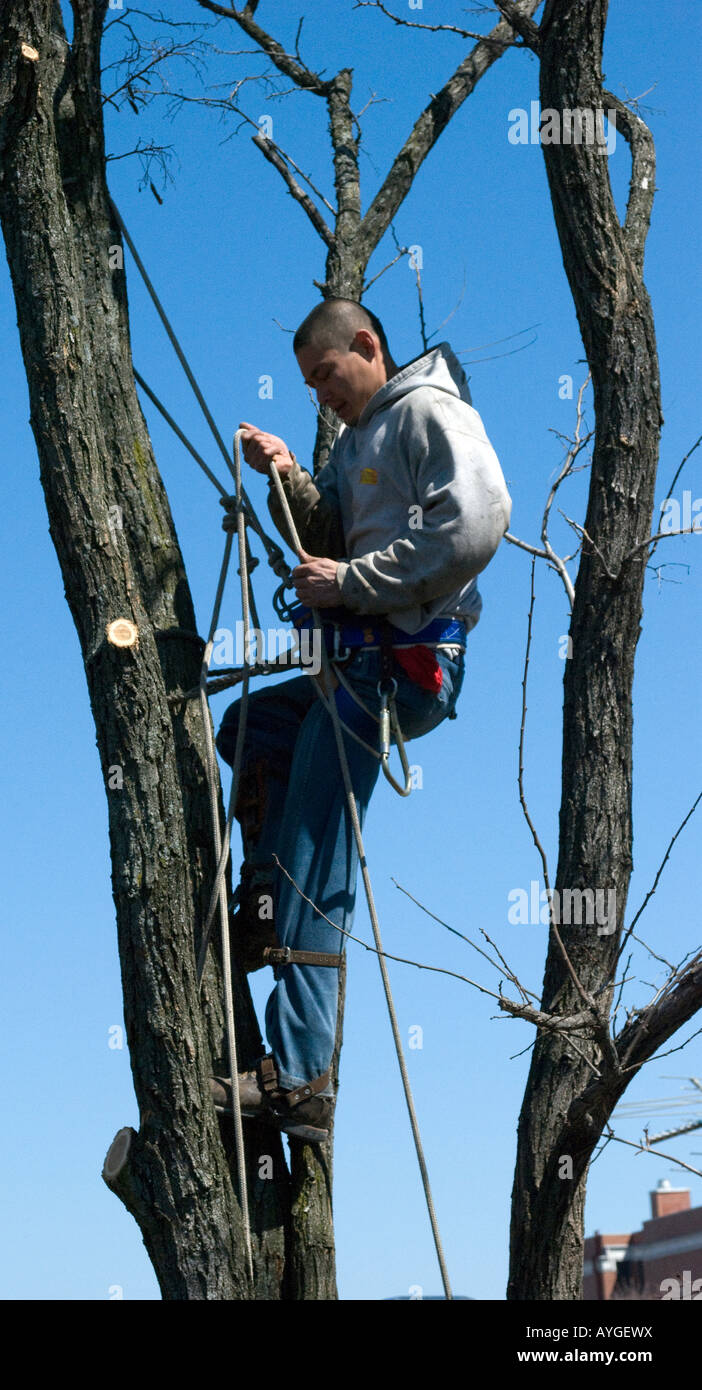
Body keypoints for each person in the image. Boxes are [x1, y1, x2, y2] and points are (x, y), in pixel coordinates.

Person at [210, 298, 511, 1144]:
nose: (320, 395)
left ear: (367, 347)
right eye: (308, 384)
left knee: (317, 839)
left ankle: (302, 1077)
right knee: (251, 730)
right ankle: (268, 899)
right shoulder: (355, 444)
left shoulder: (426, 411)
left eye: (326, 375)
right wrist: (287, 477)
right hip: (357, 665)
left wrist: (351, 586)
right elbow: (327, 533)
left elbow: (477, 525)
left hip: (402, 667)